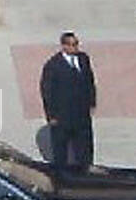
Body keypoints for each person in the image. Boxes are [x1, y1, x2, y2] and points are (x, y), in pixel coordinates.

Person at [40, 32, 97, 169]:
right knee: (61, 150)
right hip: (62, 116)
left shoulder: (83, 59)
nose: (75, 48)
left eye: (76, 44)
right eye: (71, 45)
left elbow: (90, 81)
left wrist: (92, 102)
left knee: (84, 147)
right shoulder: (53, 65)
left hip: (81, 114)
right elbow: (47, 91)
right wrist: (51, 115)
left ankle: (85, 170)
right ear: (64, 46)